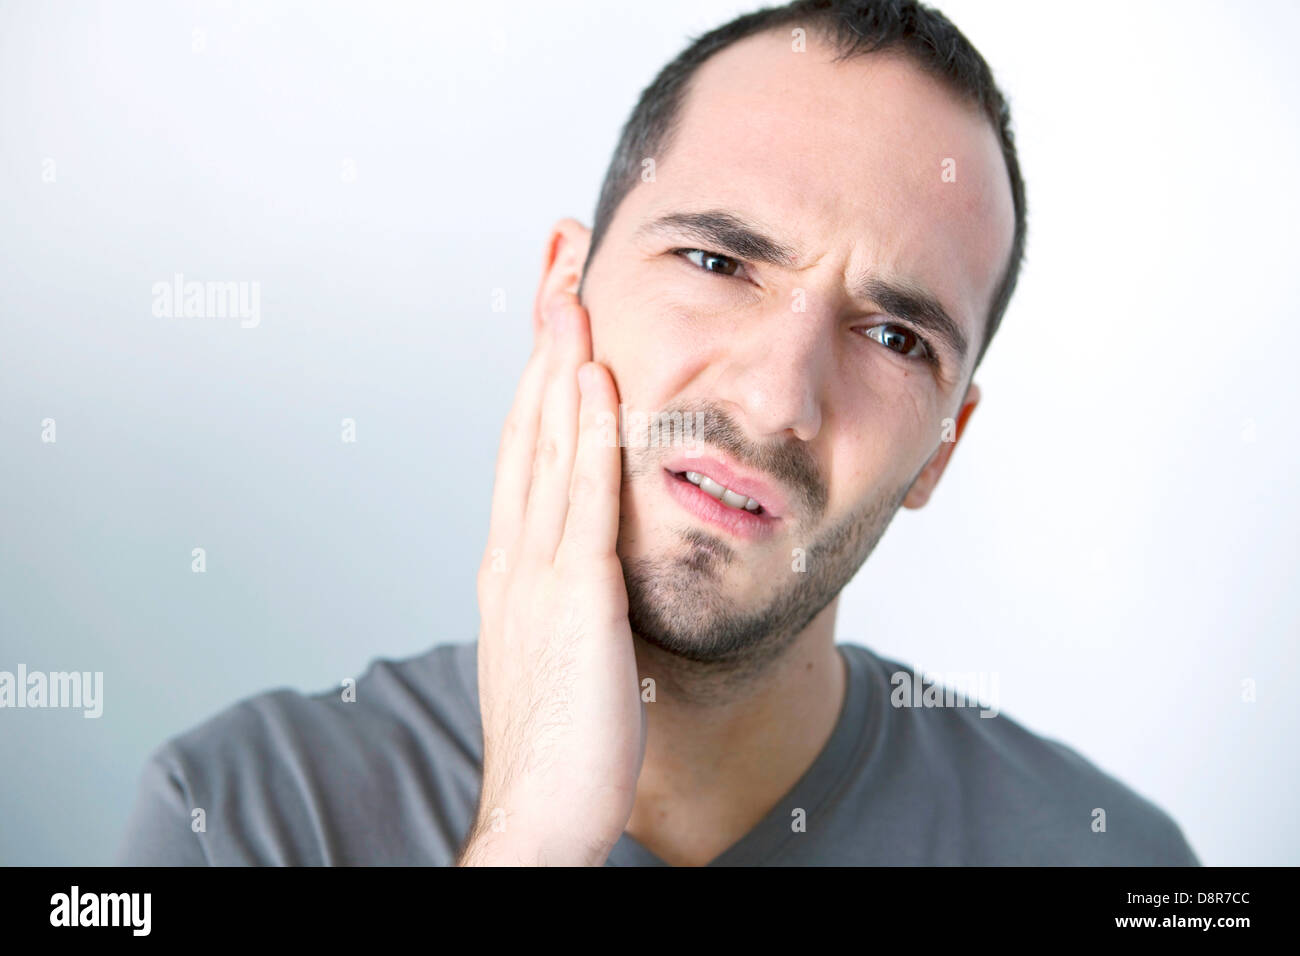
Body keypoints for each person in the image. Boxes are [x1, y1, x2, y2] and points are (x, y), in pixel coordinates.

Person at [117, 0, 1199, 866]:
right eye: (718, 263)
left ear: (943, 450)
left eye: (890, 334)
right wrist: (534, 835)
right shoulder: (240, 814)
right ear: (563, 292)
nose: (779, 398)